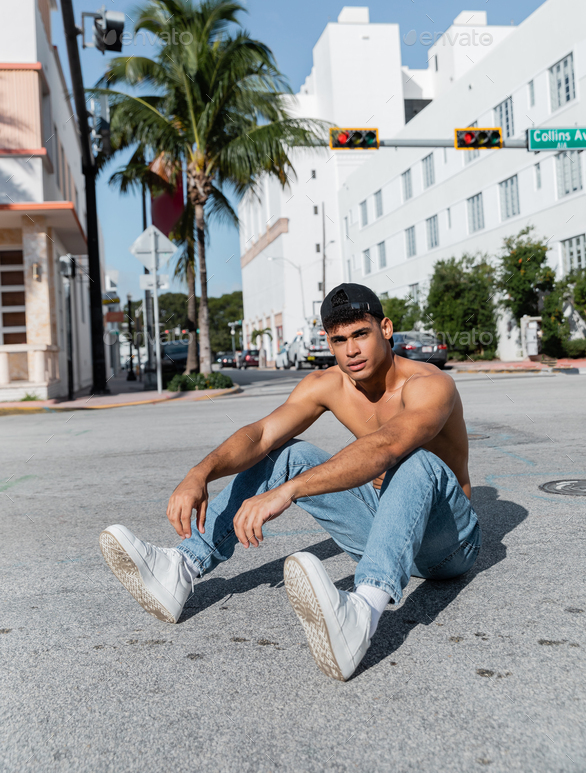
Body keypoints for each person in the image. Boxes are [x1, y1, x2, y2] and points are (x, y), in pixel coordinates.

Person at [100, 283, 480, 681]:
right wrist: (201, 472)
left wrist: (290, 491)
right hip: (387, 529)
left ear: (385, 329)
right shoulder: (327, 384)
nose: (351, 350)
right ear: (328, 343)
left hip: (448, 545)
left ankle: (362, 613)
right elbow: (262, 434)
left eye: (361, 334)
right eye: (339, 340)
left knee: (416, 460)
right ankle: (181, 568)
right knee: (288, 453)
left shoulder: (430, 384)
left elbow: (387, 447)